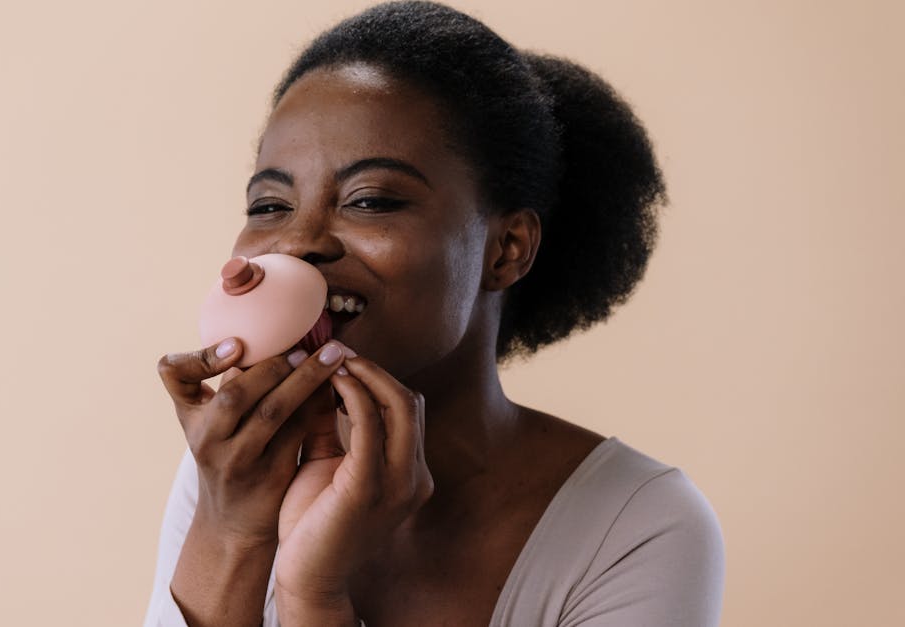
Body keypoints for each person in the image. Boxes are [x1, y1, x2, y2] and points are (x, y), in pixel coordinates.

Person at [143, 1, 724, 625]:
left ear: (506, 250)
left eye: (370, 200)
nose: (297, 242)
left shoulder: (638, 524)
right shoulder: (239, 470)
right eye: (268, 206)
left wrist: (314, 594)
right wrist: (233, 532)